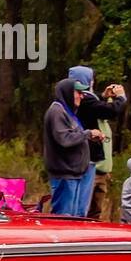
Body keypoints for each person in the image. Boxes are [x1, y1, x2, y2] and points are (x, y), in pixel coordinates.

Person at [68, 65, 127, 220]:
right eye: (91, 78)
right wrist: (121, 98)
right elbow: (109, 111)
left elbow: (97, 109)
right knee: (83, 208)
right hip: (88, 161)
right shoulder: (84, 100)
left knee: (93, 209)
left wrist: (103, 96)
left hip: (95, 163)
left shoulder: (86, 100)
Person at [43, 77, 103, 215]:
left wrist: (90, 137)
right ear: (67, 92)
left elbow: (73, 136)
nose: (82, 96)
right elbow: (64, 139)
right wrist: (88, 133)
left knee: (73, 219)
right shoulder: (57, 112)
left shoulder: (67, 112)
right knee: (63, 217)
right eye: (78, 92)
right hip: (64, 174)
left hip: (74, 174)